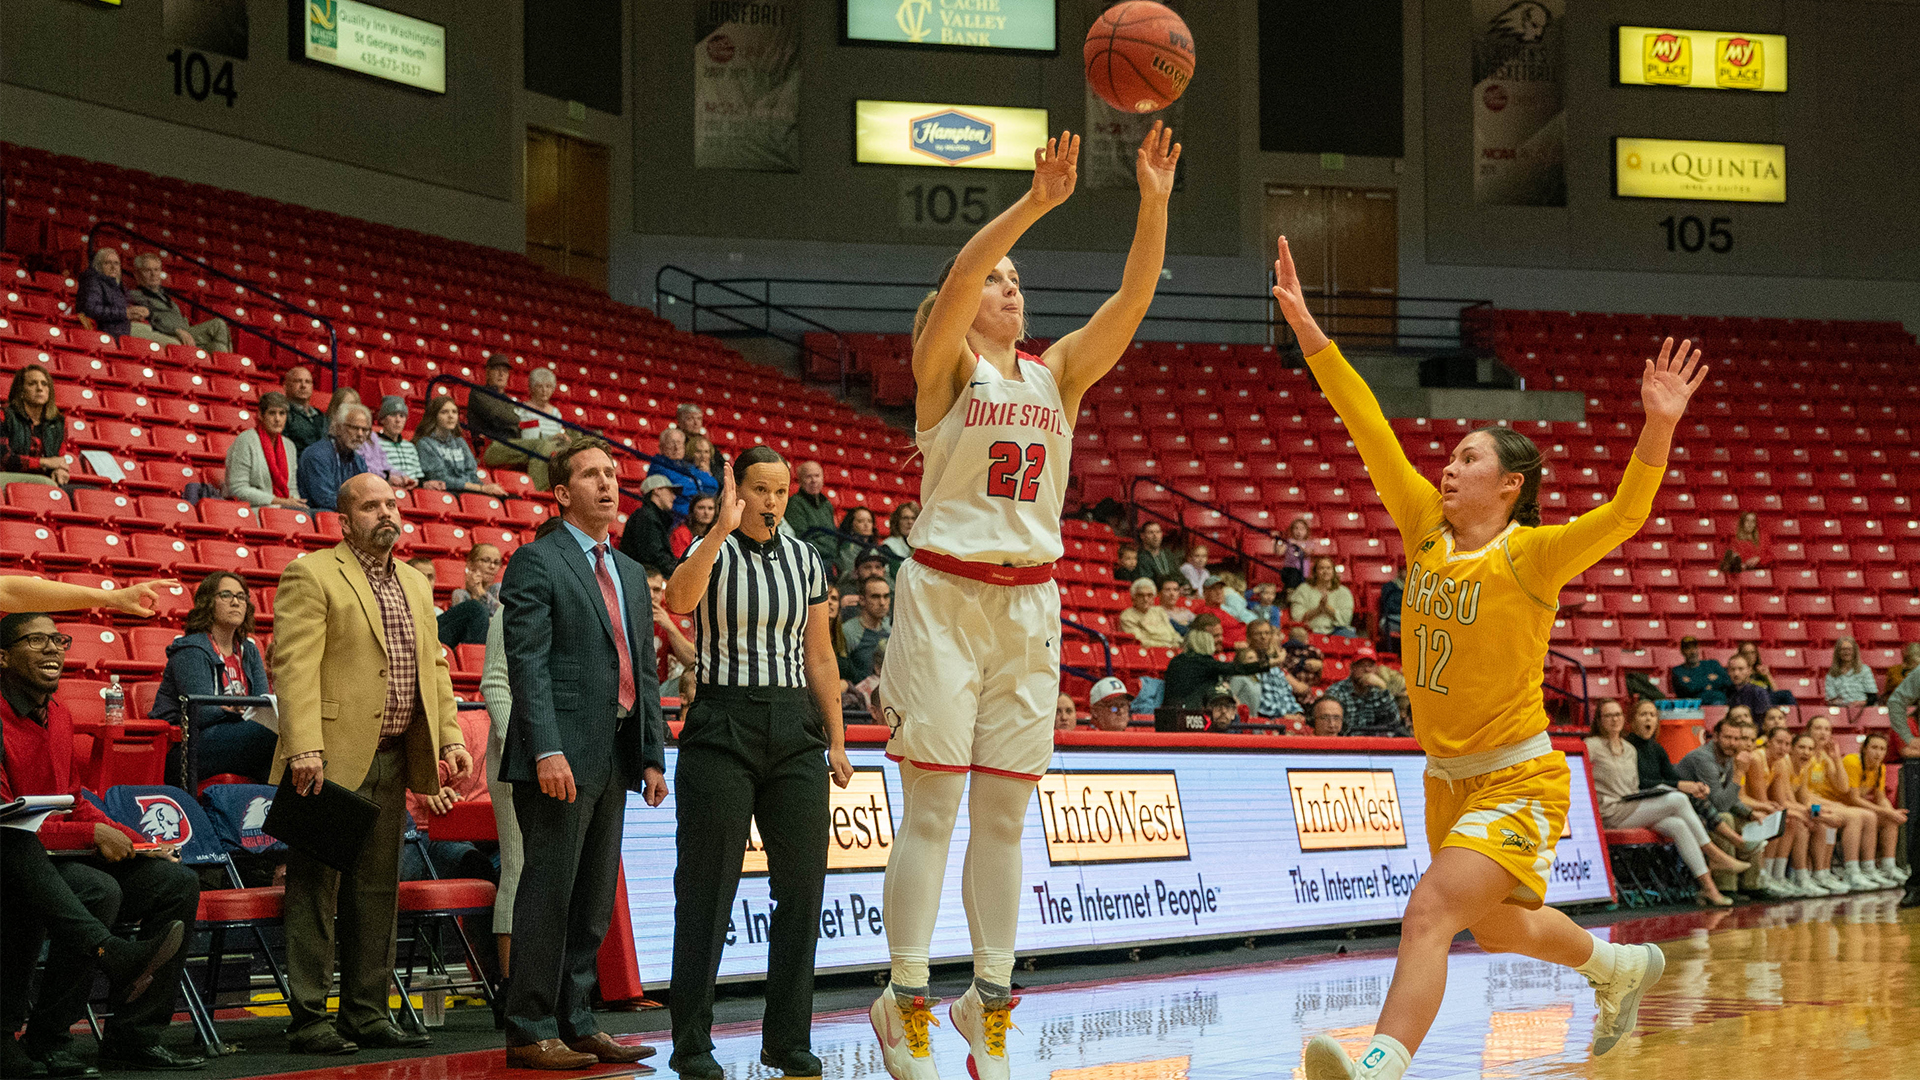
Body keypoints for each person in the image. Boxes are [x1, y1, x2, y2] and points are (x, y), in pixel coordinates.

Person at [1273, 231, 1709, 1080]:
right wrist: (1307, 327)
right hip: (1444, 777)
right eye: (1450, 453)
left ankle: (1378, 1065)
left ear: (1510, 484)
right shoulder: (1423, 530)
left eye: (1468, 456)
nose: (1447, 464)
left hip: (1516, 776)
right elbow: (1363, 418)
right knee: (1499, 926)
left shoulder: (1531, 554)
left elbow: (1623, 515)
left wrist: (1657, 428)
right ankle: (1617, 967)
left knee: (1431, 910)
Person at [872, 122, 1181, 1080]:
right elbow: (963, 271)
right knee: (934, 808)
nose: (1011, 287)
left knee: (1006, 817)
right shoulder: (946, 370)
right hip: (945, 599)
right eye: (1000, 283)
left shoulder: (1059, 375)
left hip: (1028, 606)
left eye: (1018, 279)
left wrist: (1154, 204)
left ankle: (990, 1001)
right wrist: (1035, 205)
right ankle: (905, 1000)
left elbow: (1132, 301)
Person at [660, 447, 853, 1078]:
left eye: (780, 491)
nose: (771, 501)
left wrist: (838, 736)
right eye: (758, 490)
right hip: (722, 723)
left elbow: (821, 656)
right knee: (706, 891)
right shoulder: (713, 551)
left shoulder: (806, 558)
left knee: (802, 888)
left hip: (795, 725)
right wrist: (716, 530)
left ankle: (786, 1039)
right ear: (736, 491)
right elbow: (679, 603)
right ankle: (691, 1043)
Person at [271, 473, 472, 1055]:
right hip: (328, 758)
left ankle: (365, 1011)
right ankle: (309, 1017)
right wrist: (303, 744)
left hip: (392, 756)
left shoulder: (413, 580)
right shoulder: (311, 574)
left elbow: (433, 669)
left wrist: (448, 737)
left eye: (391, 503)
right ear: (344, 519)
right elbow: (294, 667)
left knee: (377, 890)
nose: (386, 513)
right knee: (315, 890)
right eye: (371, 506)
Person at [498, 438, 669, 1070]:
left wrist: (651, 753)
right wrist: (546, 748)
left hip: (614, 753)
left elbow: (643, 671)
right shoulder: (535, 562)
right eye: (591, 475)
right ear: (562, 493)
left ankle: (577, 1020)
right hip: (558, 756)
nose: (606, 483)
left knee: (592, 899)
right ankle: (530, 1026)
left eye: (612, 474)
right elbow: (529, 666)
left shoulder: (626, 570)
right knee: (550, 892)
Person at [0, 612, 205, 1075]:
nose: (54, 648)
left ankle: (134, 1038)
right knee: (98, 889)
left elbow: (73, 800)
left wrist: (140, 841)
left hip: (57, 850)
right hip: (20, 855)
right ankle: (50, 1039)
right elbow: (6, 824)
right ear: (3, 656)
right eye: (37, 640)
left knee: (174, 884)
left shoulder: (58, 714)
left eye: (58, 639)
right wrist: (92, 834)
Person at [1585, 699, 1743, 906]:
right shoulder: (1591, 746)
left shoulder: (1629, 749)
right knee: (1678, 798)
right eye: (1608, 715)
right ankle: (1713, 853)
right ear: (1600, 720)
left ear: (1624, 719)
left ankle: (1709, 889)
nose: (1614, 720)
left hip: (1631, 805)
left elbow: (1635, 786)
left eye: (1618, 715)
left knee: (1677, 825)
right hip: (1609, 811)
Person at [150, 573, 276, 786]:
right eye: (226, 595)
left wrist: (232, 709)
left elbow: (262, 703)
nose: (236, 602)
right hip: (188, 748)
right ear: (208, 602)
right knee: (271, 735)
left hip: (238, 738)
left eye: (241, 596)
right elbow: (200, 712)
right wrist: (230, 710)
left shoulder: (250, 651)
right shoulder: (192, 649)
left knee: (288, 738)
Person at [476, 604, 524, 988]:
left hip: (575, 757)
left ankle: (555, 990)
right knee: (519, 869)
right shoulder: (510, 610)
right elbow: (494, 683)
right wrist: (524, 748)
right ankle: (512, 990)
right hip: (517, 760)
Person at [1675, 717, 1768, 896]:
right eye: (1727, 737)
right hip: (1692, 814)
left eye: (1736, 739)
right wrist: (1739, 773)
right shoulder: (1704, 759)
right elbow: (1720, 804)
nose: (1732, 743)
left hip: (1710, 812)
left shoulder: (1730, 758)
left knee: (1752, 823)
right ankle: (1726, 885)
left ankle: (1751, 884)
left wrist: (1749, 813)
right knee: (1726, 818)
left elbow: (1730, 799)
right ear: (1715, 736)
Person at [1801, 714, 1885, 892]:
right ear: (1808, 731)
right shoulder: (1804, 754)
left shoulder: (1824, 756)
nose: (1823, 732)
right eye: (1818, 728)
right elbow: (1802, 794)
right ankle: (1849, 871)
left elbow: (1843, 787)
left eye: (1827, 729)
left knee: (1868, 816)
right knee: (1846, 817)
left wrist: (1836, 758)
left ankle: (1864, 869)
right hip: (1806, 807)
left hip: (1821, 804)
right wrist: (1829, 806)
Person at [482, 366, 571, 491]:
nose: (544, 391)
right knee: (543, 446)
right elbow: (525, 435)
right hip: (531, 445)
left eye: (548, 386)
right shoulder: (522, 409)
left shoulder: (556, 412)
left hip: (553, 447)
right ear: (532, 388)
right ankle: (536, 489)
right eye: (540, 386)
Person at [1839, 732, 1910, 884]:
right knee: (1870, 817)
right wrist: (1886, 811)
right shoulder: (1852, 762)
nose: (1878, 753)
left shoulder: (1880, 768)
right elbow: (1854, 798)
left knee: (1890, 820)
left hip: (1856, 810)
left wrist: (1891, 812)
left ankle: (1888, 867)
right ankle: (1866, 868)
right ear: (1864, 748)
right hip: (1839, 805)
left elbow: (1880, 797)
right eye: (1874, 748)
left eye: (1882, 749)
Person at [128, 252, 231, 353]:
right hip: (170, 335)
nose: (153, 274)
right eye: (147, 270)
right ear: (137, 274)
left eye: (156, 270)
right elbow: (153, 319)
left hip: (186, 333)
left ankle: (224, 365)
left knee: (218, 346)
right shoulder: (136, 295)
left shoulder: (164, 296)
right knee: (218, 324)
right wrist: (176, 331)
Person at [413, 394, 508, 498]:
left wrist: (487, 488)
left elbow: (472, 474)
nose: (451, 416)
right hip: (448, 492)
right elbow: (441, 479)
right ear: (434, 416)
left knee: (507, 498)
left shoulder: (459, 442)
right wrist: (481, 489)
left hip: (469, 490)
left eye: (454, 412)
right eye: (444, 412)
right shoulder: (425, 444)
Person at [224, 390, 307, 508]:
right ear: (261, 416)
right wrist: (279, 501)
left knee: (309, 516)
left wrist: (296, 504)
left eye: (282, 413)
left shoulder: (289, 446)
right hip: (253, 508)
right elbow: (238, 489)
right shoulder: (246, 440)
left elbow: (292, 489)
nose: (277, 419)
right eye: (272, 413)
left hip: (282, 508)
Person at [1161, 629, 1282, 709]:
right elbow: (1239, 669)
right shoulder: (1205, 662)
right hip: (1191, 713)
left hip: (1168, 712)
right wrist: (1272, 663)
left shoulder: (1175, 660)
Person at [76, 247, 170, 345]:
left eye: (116, 263)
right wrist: (125, 313)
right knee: (171, 344)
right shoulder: (92, 282)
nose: (113, 267)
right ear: (98, 265)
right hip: (108, 330)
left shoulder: (115, 284)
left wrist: (134, 313)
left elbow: (118, 309)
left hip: (121, 326)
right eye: (107, 263)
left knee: (147, 328)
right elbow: (90, 309)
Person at [2, 363, 67, 488]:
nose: (39, 388)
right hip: (6, 475)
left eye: (44, 384)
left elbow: (59, 459)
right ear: (21, 391)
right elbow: (4, 458)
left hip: (42, 479)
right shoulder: (4, 416)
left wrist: (59, 470)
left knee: (87, 492)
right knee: (47, 484)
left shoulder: (58, 423)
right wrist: (45, 462)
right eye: (32, 384)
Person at [1323, 647, 1408, 737]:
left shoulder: (1379, 691)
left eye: (1370, 666)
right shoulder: (1336, 691)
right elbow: (1331, 726)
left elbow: (1394, 721)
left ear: (1376, 669)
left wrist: (1383, 689)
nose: (1366, 670)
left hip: (1375, 744)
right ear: (1352, 668)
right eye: (1361, 665)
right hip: (1346, 743)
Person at [619, 472, 682, 574]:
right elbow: (654, 557)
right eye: (670, 491)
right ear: (657, 491)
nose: (674, 497)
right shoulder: (646, 517)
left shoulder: (653, 516)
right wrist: (680, 570)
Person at [464, 354, 524, 455]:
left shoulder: (509, 401)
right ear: (488, 372)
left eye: (505, 371)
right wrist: (519, 420)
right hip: (490, 446)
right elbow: (497, 415)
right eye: (497, 369)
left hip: (511, 444)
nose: (501, 374)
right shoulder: (478, 393)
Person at [783, 461, 838, 564]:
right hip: (813, 558)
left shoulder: (826, 504)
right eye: (808, 477)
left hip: (832, 556)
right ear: (800, 480)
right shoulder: (795, 504)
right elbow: (801, 538)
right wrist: (831, 552)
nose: (814, 480)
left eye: (817, 476)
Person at [1290, 556, 1357, 637]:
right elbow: (1297, 616)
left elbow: (1346, 619)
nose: (1325, 571)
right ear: (1315, 572)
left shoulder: (1344, 592)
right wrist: (1318, 609)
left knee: (1349, 635)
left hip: (1336, 630)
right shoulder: (1303, 589)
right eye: (1321, 568)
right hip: (1310, 629)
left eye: (1328, 568)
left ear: (1333, 572)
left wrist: (1327, 609)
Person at [841, 575, 892, 682]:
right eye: (875, 597)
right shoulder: (849, 631)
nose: (882, 603)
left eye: (886, 596)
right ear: (862, 600)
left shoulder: (890, 628)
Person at [370, 396, 423, 485]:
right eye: (393, 415)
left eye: (402, 416)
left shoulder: (410, 447)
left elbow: (418, 476)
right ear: (383, 419)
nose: (398, 420)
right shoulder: (375, 444)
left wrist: (414, 482)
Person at [1119, 576, 1182, 649]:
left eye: (1149, 595)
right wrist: (1168, 646)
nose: (1145, 599)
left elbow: (1173, 633)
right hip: (1151, 653)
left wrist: (1180, 643)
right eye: (1140, 595)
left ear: (1153, 598)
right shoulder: (1127, 616)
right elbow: (1141, 641)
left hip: (1172, 649)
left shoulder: (1159, 611)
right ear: (1133, 598)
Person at [281, 366, 329, 455]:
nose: (303, 386)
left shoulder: (321, 416)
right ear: (286, 386)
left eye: (307, 382)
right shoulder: (282, 414)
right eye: (298, 381)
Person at [1669, 635, 1730, 703]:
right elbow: (1689, 688)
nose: (1692, 652)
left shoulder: (1713, 664)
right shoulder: (1678, 671)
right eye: (1688, 648)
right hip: (1695, 707)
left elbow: (1728, 681)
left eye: (1695, 648)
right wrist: (1710, 681)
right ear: (1682, 651)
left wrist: (1694, 681)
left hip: (1720, 702)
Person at [1192, 575, 1249, 647]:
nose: (1218, 592)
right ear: (1205, 593)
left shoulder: (1222, 610)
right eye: (1214, 589)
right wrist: (1233, 645)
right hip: (1235, 649)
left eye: (1220, 588)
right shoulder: (1204, 611)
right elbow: (1209, 638)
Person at [1825, 636, 1878, 706]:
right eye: (1843, 649)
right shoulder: (1831, 674)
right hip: (1842, 710)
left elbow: (1873, 697)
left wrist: (1859, 703)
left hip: (1864, 709)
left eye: (1849, 649)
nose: (1846, 652)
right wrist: (1845, 704)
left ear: (1855, 651)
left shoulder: (1865, 670)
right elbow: (1830, 700)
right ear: (1837, 652)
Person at [833, 506, 880, 583]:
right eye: (860, 521)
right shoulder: (847, 547)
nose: (866, 525)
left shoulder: (876, 548)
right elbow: (849, 573)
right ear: (851, 524)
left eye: (869, 521)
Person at [670, 494, 719, 560]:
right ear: (692, 510)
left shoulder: (716, 533)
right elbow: (680, 560)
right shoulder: (681, 533)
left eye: (710, 508)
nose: (706, 512)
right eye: (701, 508)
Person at [1278, 517, 1315, 591]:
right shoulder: (1289, 542)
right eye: (1296, 529)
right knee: (1292, 577)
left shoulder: (1309, 543)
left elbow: (1308, 553)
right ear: (1292, 530)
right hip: (1290, 571)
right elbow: (1279, 552)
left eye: (1302, 529)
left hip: (1303, 572)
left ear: (1306, 531)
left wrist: (1298, 545)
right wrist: (1279, 541)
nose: (1298, 532)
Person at [881, 501, 920, 568]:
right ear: (897, 521)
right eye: (905, 518)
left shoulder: (922, 545)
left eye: (913, 518)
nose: (910, 522)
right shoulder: (889, 546)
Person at [1378, 562, 1405, 654]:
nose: (1407, 571)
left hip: (1410, 619)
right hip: (1393, 618)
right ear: (1399, 571)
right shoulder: (1389, 587)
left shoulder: (1416, 587)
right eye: (1404, 569)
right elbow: (1388, 606)